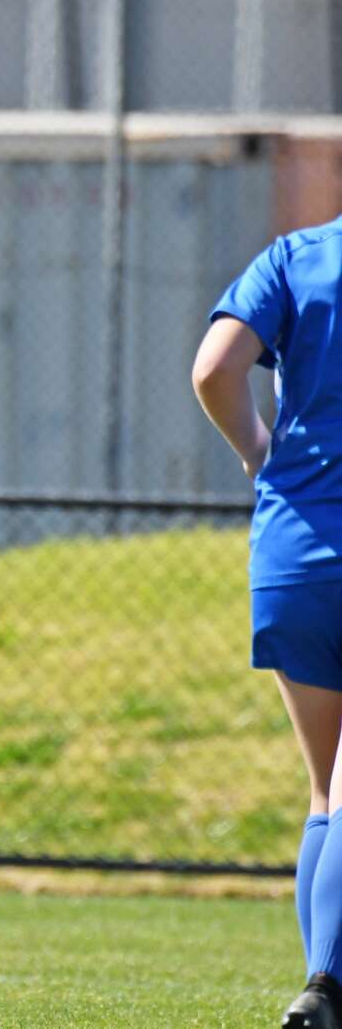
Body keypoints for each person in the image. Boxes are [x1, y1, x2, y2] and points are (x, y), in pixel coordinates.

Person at [193, 212, 342, 1029]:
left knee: (327, 789)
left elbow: (215, 367)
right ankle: (326, 987)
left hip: (295, 547)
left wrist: (259, 452)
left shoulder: (298, 256)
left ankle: (323, 983)